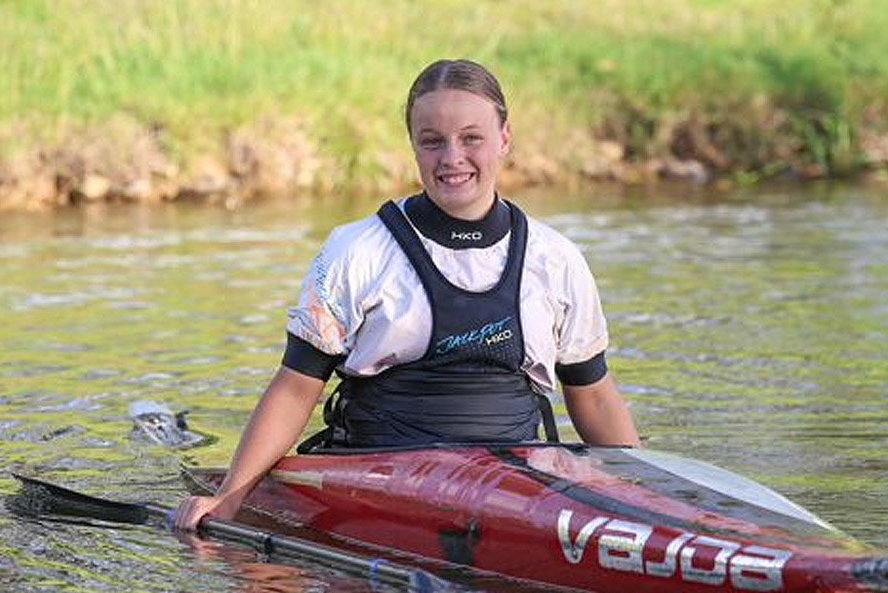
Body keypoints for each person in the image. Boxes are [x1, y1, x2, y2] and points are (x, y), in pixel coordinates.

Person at [173, 59, 639, 531]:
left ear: (504, 138)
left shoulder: (555, 258)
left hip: (514, 488)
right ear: (413, 145)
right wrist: (229, 498)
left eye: (471, 138)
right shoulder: (357, 250)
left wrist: (645, 505)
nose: (451, 157)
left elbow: (594, 395)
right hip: (379, 482)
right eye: (431, 141)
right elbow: (296, 388)